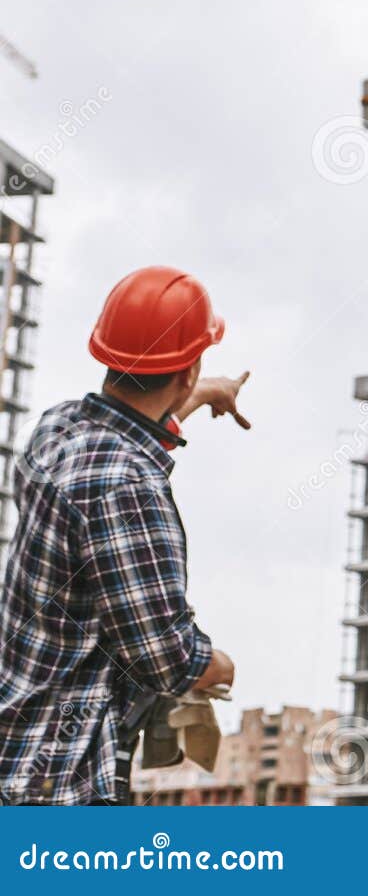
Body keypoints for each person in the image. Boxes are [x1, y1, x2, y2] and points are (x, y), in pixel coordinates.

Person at [0, 266, 250, 804]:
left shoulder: (57, 429)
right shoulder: (128, 488)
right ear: (186, 370)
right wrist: (222, 665)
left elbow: (125, 427)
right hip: (58, 780)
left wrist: (204, 391)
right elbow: (164, 657)